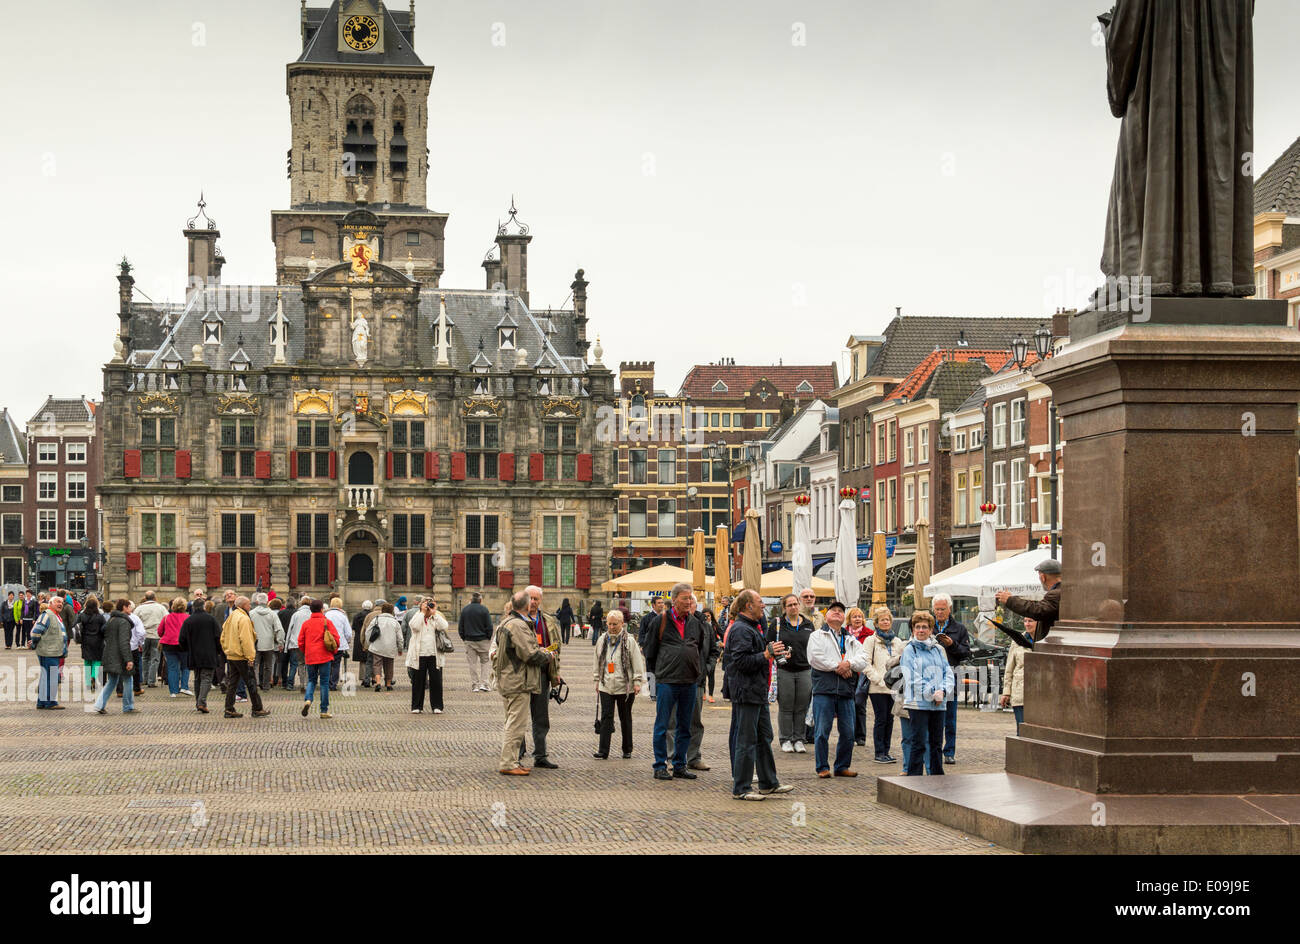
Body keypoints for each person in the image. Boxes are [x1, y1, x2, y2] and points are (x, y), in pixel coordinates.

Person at [723, 590, 794, 800]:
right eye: (760, 602)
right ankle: (742, 788)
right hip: (746, 691)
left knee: (764, 736)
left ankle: (768, 783)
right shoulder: (740, 629)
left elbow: (757, 656)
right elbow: (740, 662)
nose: (764, 605)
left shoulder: (752, 627)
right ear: (748, 606)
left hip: (757, 691)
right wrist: (766, 653)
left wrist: (775, 652)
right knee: (746, 739)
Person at [642, 583, 710, 781]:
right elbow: (650, 651)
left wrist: (699, 671)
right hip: (667, 680)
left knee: (685, 726)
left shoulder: (695, 622)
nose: (689, 602)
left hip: (689, 680)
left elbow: (698, 648)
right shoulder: (660, 621)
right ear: (674, 600)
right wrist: (656, 677)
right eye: (684, 598)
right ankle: (660, 765)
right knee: (663, 725)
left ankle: (680, 764)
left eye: (690, 598)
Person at [494, 589, 555, 775]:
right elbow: (529, 654)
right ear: (527, 605)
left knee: (514, 722)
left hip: (509, 679)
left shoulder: (506, 622)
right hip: (517, 680)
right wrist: (547, 655)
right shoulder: (518, 626)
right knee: (516, 724)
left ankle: (513, 760)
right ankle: (508, 763)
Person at [807, 601, 870, 777]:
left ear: (844, 618)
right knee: (822, 731)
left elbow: (863, 659)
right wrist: (839, 667)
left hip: (846, 691)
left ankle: (842, 766)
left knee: (849, 732)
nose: (837, 613)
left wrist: (849, 663)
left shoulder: (850, 639)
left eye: (840, 611)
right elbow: (815, 658)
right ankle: (822, 767)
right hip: (824, 689)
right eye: (833, 610)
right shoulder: (817, 636)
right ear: (826, 616)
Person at [900, 610, 954, 776]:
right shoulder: (909, 650)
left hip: (938, 704)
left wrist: (943, 691)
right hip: (918, 704)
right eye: (918, 627)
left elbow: (948, 673)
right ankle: (914, 779)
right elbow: (912, 677)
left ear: (931, 630)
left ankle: (937, 778)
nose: (921, 630)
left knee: (936, 743)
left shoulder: (938, 649)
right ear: (913, 630)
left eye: (925, 627)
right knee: (918, 743)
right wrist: (932, 693)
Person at [518, 585, 562, 769]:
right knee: (518, 716)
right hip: (521, 674)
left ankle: (540, 755)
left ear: (540, 600)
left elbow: (556, 645)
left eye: (536, 599)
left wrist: (548, 654)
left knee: (541, 717)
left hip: (542, 674)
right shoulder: (515, 619)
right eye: (530, 598)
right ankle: (516, 753)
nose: (533, 602)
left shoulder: (548, 621)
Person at [592, 609, 645, 759]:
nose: (612, 627)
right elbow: (596, 661)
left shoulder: (630, 641)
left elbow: (637, 663)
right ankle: (603, 751)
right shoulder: (602, 639)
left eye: (615, 624)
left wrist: (637, 682)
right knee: (606, 717)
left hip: (625, 687)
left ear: (622, 623)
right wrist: (597, 680)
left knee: (625, 717)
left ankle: (627, 749)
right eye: (609, 624)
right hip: (606, 685)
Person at [767, 593, 815, 754]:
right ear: (784, 608)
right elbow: (769, 645)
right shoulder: (777, 624)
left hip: (804, 670)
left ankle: (799, 739)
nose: (793, 607)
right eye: (790, 605)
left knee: (801, 707)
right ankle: (786, 739)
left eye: (795, 604)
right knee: (786, 706)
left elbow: (813, 646)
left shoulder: (808, 624)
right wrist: (779, 655)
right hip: (785, 670)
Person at [862, 605, 905, 763]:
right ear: (876, 623)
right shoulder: (870, 641)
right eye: (882, 620)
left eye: (887, 619)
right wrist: (879, 679)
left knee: (890, 719)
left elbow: (902, 662)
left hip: (894, 688)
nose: (885, 622)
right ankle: (879, 752)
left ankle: (886, 751)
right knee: (881, 719)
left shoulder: (897, 641)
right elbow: (866, 664)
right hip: (877, 687)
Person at [931, 593, 970, 764]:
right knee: (931, 716)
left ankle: (949, 752)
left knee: (950, 719)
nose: (939, 612)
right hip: (931, 678)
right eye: (937, 609)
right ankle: (934, 749)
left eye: (942, 609)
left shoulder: (959, 629)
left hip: (951, 677)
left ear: (949, 609)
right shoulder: (928, 626)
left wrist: (952, 645)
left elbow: (966, 653)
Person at [220, 596, 270, 718]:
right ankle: (257, 708)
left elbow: (223, 636)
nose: (250, 606)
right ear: (243, 606)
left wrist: (227, 649)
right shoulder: (243, 618)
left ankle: (229, 708)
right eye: (248, 604)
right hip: (241, 656)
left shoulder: (232, 616)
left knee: (233, 683)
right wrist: (250, 657)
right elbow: (246, 640)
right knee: (251, 682)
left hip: (232, 655)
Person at [996, 558, 1062, 638]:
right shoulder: (1065, 591)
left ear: (1042, 577)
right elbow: (1039, 606)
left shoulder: (1056, 593)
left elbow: (1037, 610)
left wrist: (1010, 600)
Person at [92, 600, 136, 715]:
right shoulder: (124, 622)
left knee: (112, 681)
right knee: (128, 679)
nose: (131, 609)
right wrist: (128, 659)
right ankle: (128, 706)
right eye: (130, 607)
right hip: (120, 656)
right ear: (125, 608)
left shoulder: (111, 620)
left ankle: (99, 704)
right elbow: (124, 642)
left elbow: (103, 632)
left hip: (109, 654)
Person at [178, 598, 222, 713]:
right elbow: (219, 637)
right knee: (206, 678)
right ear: (204, 606)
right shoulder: (211, 619)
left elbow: (181, 639)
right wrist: (219, 651)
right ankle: (201, 702)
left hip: (194, 654)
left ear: (193, 607)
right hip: (209, 653)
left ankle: (199, 702)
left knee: (198, 678)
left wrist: (187, 650)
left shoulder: (189, 621)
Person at [297, 599, 338, 719]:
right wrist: (333, 652)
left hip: (310, 656)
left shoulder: (306, 624)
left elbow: (300, 641)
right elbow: (335, 638)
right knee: (324, 683)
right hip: (324, 656)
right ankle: (324, 710)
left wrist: (306, 651)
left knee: (311, 680)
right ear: (322, 609)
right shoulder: (327, 622)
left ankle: (308, 699)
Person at [406, 598, 447, 713]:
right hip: (419, 654)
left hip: (434, 654)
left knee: (436, 681)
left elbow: (443, 626)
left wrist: (434, 613)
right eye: (426, 603)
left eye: (430, 603)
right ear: (420, 606)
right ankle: (416, 706)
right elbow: (414, 626)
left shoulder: (435, 617)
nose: (428, 606)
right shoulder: (417, 616)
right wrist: (423, 612)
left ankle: (437, 706)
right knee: (418, 681)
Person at [30, 594, 67, 709]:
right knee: (52, 677)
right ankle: (50, 702)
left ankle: (41, 702)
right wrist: (34, 643)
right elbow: (36, 632)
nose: (60, 604)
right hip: (48, 651)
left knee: (46, 677)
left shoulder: (56, 616)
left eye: (61, 602)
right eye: (57, 602)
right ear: (50, 603)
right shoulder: (47, 615)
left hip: (53, 651)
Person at [1000, 615, 1035, 733]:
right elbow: (1009, 668)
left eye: (1030, 621)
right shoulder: (1017, 640)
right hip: (1020, 692)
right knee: (1022, 731)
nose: (1027, 624)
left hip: (1040, 695)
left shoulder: (1045, 640)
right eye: (1025, 621)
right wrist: (1006, 692)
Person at [847, 606, 874, 745]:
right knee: (848, 704)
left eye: (859, 616)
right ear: (849, 619)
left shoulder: (869, 634)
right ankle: (849, 734)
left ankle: (861, 736)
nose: (857, 619)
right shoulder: (844, 633)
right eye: (854, 617)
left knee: (860, 704)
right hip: (848, 673)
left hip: (863, 674)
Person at [457, 592, 493, 692]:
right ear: (480, 600)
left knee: (472, 664)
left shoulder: (465, 610)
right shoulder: (484, 609)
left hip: (469, 640)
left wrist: (464, 638)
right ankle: (484, 684)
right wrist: (488, 637)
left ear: (471, 599)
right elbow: (489, 626)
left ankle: (475, 685)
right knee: (485, 662)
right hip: (483, 640)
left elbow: (460, 627)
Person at [251, 593, 285, 691]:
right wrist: (280, 642)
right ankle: (266, 686)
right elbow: (279, 629)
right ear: (267, 602)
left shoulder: (251, 613)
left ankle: (255, 684)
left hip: (255, 643)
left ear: (257, 602)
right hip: (269, 643)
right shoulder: (272, 614)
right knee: (268, 666)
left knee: (254, 665)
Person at [368, 601, 404, 691]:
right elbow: (400, 637)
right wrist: (400, 648)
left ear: (382, 610)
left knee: (376, 664)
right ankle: (388, 684)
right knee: (389, 665)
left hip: (377, 646)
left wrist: (369, 644)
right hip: (390, 647)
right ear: (392, 611)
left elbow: (368, 632)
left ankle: (378, 682)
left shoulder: (376, 619)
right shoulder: (395, 622)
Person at [159, 597, 192, 698]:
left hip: (168, 644)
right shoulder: (188, 617)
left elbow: (160, 631)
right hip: (184, 645)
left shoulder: (166, 617)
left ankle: (173, 691)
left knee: (172, 668)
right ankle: (184, 687)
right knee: (186, 667)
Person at [135, 590, 168, 689]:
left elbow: (135, 621)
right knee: (155, 658)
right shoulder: (161, 608)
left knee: (144, 657)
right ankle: (151, 681)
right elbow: (166, 619)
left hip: (144, 636)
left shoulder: (139, 608)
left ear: (145, 598)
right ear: (155, 598)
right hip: (156, 636)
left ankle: (145, 679)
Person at [75, 597, 106, 692]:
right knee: (97, 661)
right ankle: (93, 676)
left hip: (86, 641)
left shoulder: (82, 615)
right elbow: (104, 628)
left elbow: (75, 625)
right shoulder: (100, 617)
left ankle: (88, 683)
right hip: (98, 641)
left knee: (87, 662)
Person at [283, 596, 311, 690]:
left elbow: (290, 630)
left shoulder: (296, 614)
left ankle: (299, 683)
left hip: (296, 642)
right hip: (309, 643)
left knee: (298, 664)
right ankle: (307, 684)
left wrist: (286, 646)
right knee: (308, 664)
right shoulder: (312, 614)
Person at [324, 597, 352, 691]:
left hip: (327, 643)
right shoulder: (343, 616)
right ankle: (333, 684)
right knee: (336, 664)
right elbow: (348, 632)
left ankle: (327, 682)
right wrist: (347, 641)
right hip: (339, 644)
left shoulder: (326, 614)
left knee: (327, 663)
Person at [700, 607, 722, 703]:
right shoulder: (700, 625)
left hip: (712, 653)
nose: (707, 617)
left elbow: (722, 634)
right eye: (705, 616)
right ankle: (704, 693)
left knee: (711, 675)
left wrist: (720, 645)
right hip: (703, 654)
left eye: (708, 616)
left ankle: (711, 695)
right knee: (703, 675)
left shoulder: (714, 626)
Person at [351, 599, 373, 689]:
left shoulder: (357, 616)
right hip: (370, 639)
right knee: (371, 659)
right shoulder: (372, 616)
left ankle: (363, 678)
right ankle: (371, 678)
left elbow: (354, 627)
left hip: (359, 639)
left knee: (362, 660)